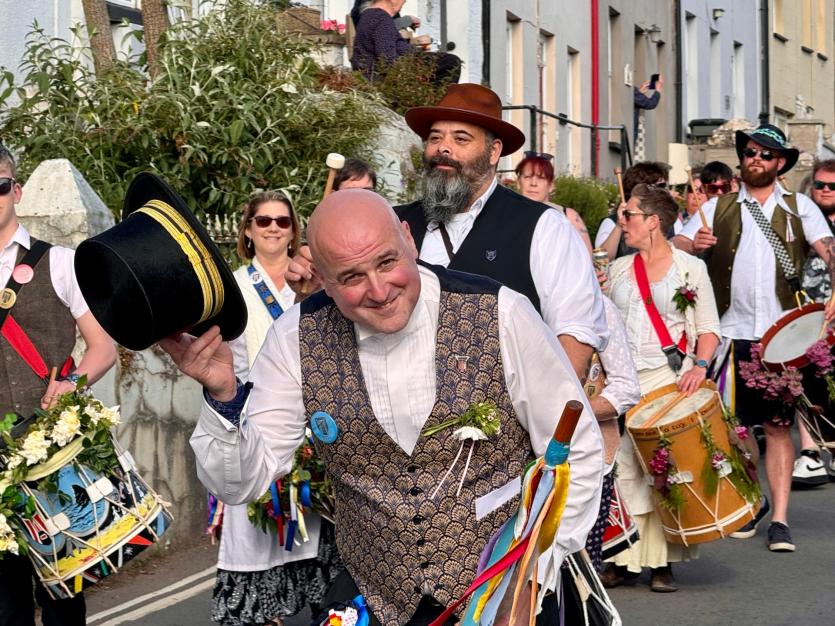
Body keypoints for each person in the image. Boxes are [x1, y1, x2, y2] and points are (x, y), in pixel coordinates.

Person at [163, 189, 604, 625]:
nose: (378, 290)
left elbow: (576, 450)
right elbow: (241, 481)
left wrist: (529, 580)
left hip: (509, 588)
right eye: (352, 278)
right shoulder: (294, 337)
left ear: (409, 241)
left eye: (387, 261)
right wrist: (223, 396)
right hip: (378, 597)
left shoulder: (501, 313)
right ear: (324, 280)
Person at [675, 124, 835, 552]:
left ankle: (780, 518)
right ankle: (756, 501)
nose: (755, 160)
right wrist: (694, 244)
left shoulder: (801, 207)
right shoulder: (719, 207)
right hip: (730, 334)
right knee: (738, 430)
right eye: (749, 153)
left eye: (765, 154)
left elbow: (828, 249)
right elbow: (676, 241)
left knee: (779, 428)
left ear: (780, 162)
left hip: (782, 339)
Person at [210, 191, 343, 626]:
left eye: (282, 221)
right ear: (247, 230)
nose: (272, 228)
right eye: (262, 221)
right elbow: (226, 367)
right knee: (254, 552)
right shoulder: (231, 288)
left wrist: (312, 296)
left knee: (329, 563)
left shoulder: (317, 284)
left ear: (294, 231)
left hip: (316, 431)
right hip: (258, 427)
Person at [0, 144, 117, 625]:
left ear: (16, 190)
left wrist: (72, 385)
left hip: (54, 453)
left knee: (62, 597)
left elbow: (103, 347)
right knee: (5, 605)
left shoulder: (61, 262)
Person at [602, 184, 721, 592]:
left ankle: (663, 562)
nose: (623, 221)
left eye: (629, 215)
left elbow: (707, 329)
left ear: (653, 222)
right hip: (622, 381)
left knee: (663, 471)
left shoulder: (691, 268)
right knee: (621, 471)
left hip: (668, 379)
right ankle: (621, 556)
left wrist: (700, 366)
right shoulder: (618, 269)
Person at [583, 296, 641, 573]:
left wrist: (567, 414)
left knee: (581, 569)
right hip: (515, 462)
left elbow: (626, 388)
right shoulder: (514, 299)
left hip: (588, 456)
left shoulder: (598, 307)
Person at [795, 159, 835, 485]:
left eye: (831, 186)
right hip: (805, 312)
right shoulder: (802, 220)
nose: (824, 191)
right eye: (819, 185)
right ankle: (809, 452)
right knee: (802, 381)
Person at [350, 0, 460, 86]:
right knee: (451, 62)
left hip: (374, 76)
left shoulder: (370, 15)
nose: (404, 2)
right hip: (381, 81)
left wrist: (413, 51)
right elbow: (387, 59)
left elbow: (386, 47)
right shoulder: (381, 18)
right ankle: (431, 109)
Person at [515, 151, 593, 254]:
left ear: (551, 186)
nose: (533, 183)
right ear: (518, 183)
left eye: (541, 178)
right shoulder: (506, 216)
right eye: (528, 177)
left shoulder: (568, 216)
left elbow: (587, 257)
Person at [595, 161, 670, 260]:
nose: (665, 192)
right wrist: (618, 226)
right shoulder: (611, 223)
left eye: (664, 187)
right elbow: (601, 260)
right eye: (660, 187)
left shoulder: (669, 221)